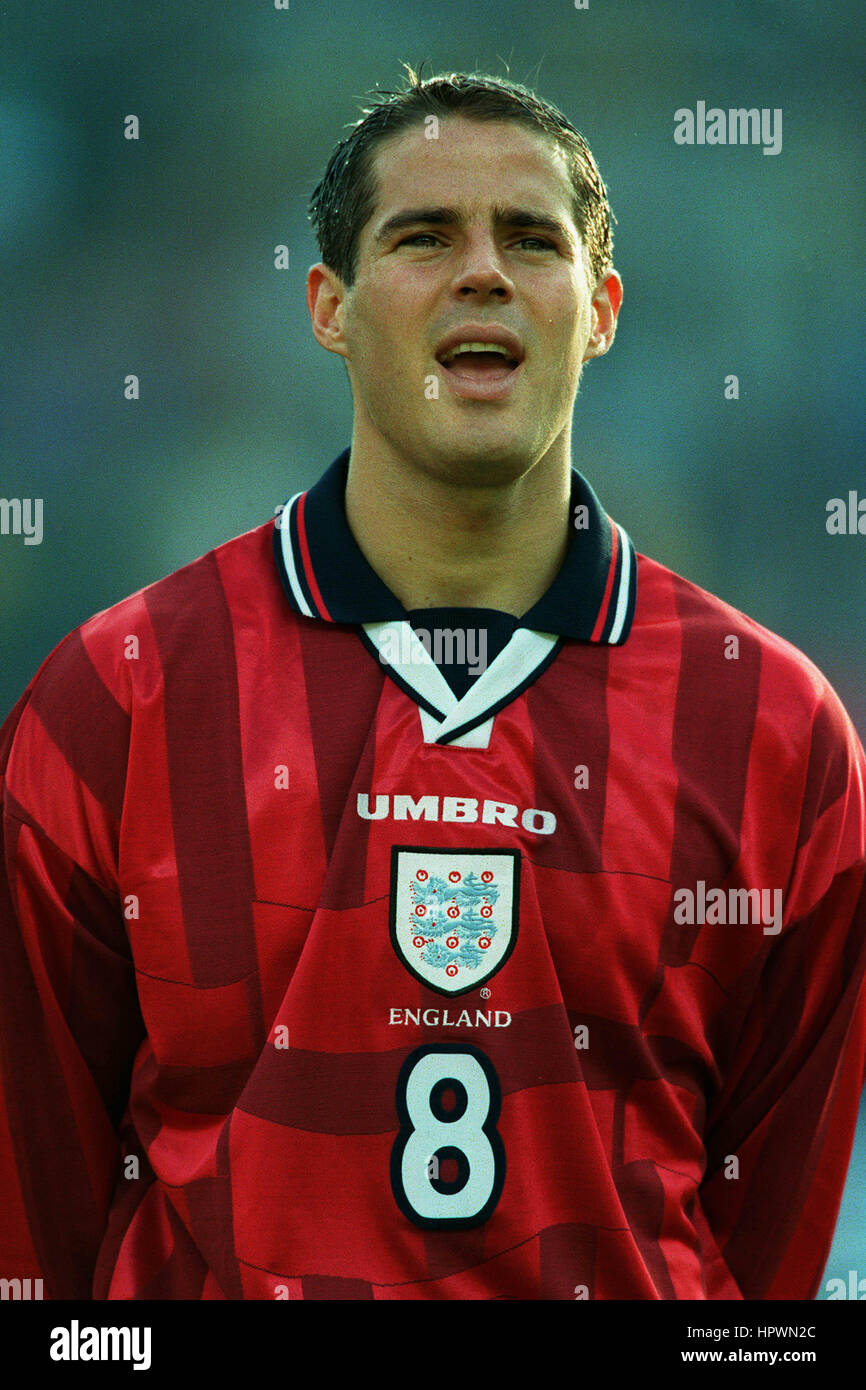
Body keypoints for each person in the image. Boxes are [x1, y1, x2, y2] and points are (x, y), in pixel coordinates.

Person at [1, 67, 864, 1301]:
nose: (482, 272)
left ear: (601, 307)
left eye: (529, 238)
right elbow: (34, 1238)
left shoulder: (772, 730)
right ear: (329, 308)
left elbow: (766, 1267)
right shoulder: (116, 697)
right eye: (422, 236)